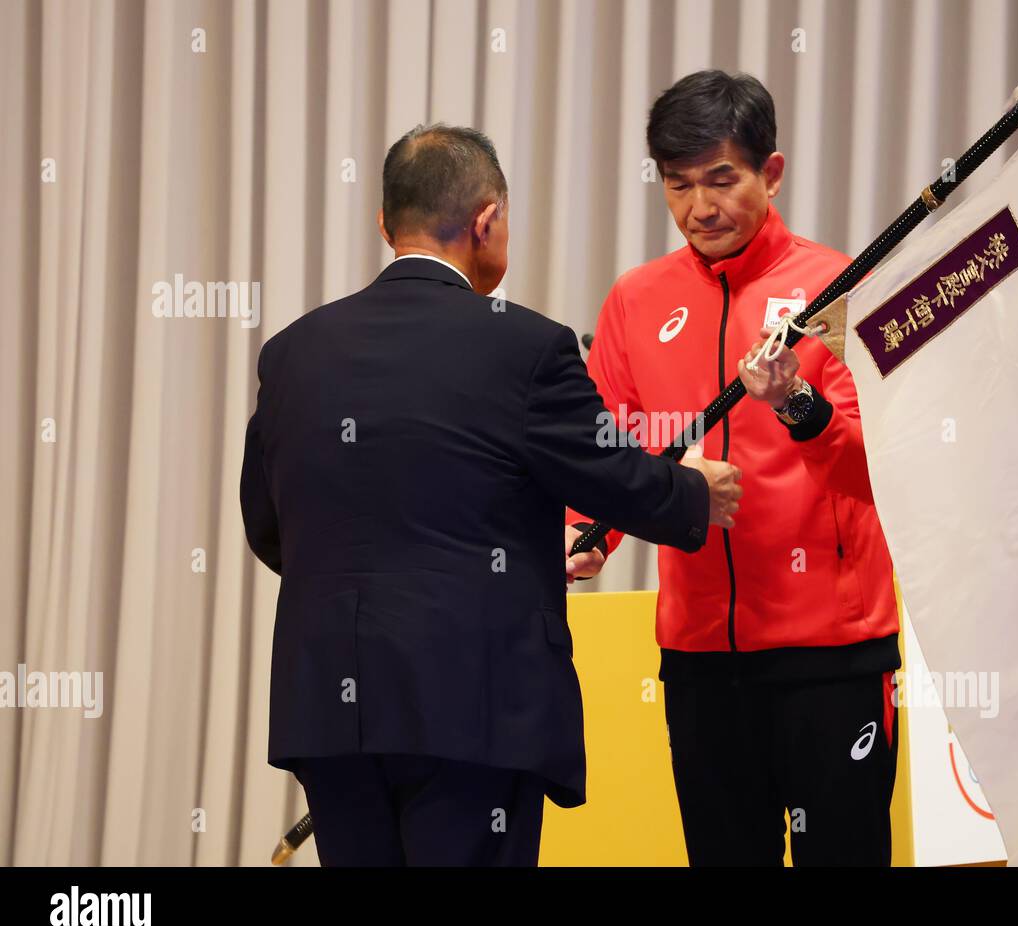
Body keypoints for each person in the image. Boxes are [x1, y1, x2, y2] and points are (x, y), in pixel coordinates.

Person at [239, 123, 742, 866]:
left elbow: (268, 526)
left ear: (385, 224)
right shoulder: (526, 346)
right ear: (487, 220)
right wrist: (694, 490)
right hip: (473, 706)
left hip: (331, 709)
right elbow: (615, 478)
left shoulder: (292, 352)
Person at [566, 71, 900, 866]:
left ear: (771, 172)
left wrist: (798, 408)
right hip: (699, 656)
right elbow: (608, 450)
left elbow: (880, 464)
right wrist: (589, 536)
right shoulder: (636, 300)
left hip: (833, 650)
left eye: (722, 180)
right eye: (677, 186)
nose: (699, 208)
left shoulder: (839, 286)